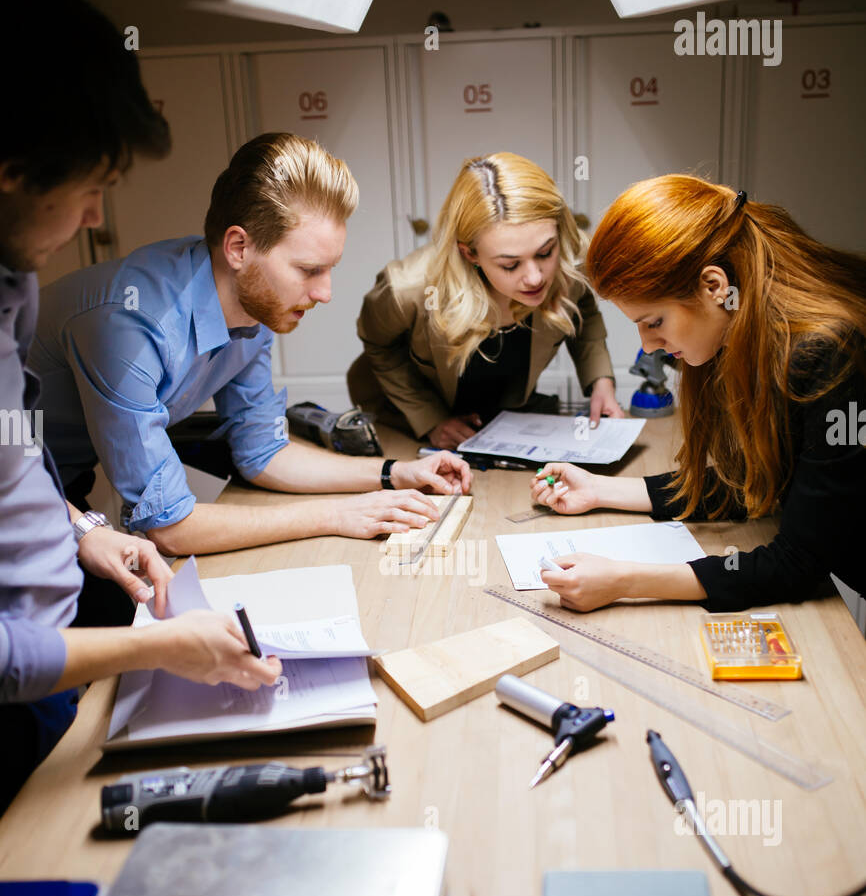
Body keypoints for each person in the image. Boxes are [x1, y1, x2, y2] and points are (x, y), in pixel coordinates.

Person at [0, 0, 281, 813]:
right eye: (90, 189)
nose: (95, 220)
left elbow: (16, 456)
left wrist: (78, 528)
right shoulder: (120, 317)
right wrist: (149, 650)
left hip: (59, 657)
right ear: (14, 171)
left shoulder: (15, 284)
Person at [30, 133, 471, 558]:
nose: (325, 293)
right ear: (238, 247)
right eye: (309, 269)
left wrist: (393, 473)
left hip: (56, 482)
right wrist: (339, 514)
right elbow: (169, 528)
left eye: (330, 268)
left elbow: (263, 452)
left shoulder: (253, 306)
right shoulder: (130, 324)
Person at [530, 175, 866, 614]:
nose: (648, 345)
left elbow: (801, 562)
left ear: (713, 286)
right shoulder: (742, 325)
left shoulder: (830, 353)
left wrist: (623, 580)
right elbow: (760, 481)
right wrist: (600, 490)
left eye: (654, 322)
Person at [346, 152, 622, 450]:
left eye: (544, 253)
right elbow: (379, 344)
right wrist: (431, 420)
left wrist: (600, 381)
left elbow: (583, 309)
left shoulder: (571, 257)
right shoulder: (407, 289)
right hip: (406, 420)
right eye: (509, 264)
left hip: (505, 422)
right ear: (470, 254)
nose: (535, 278)